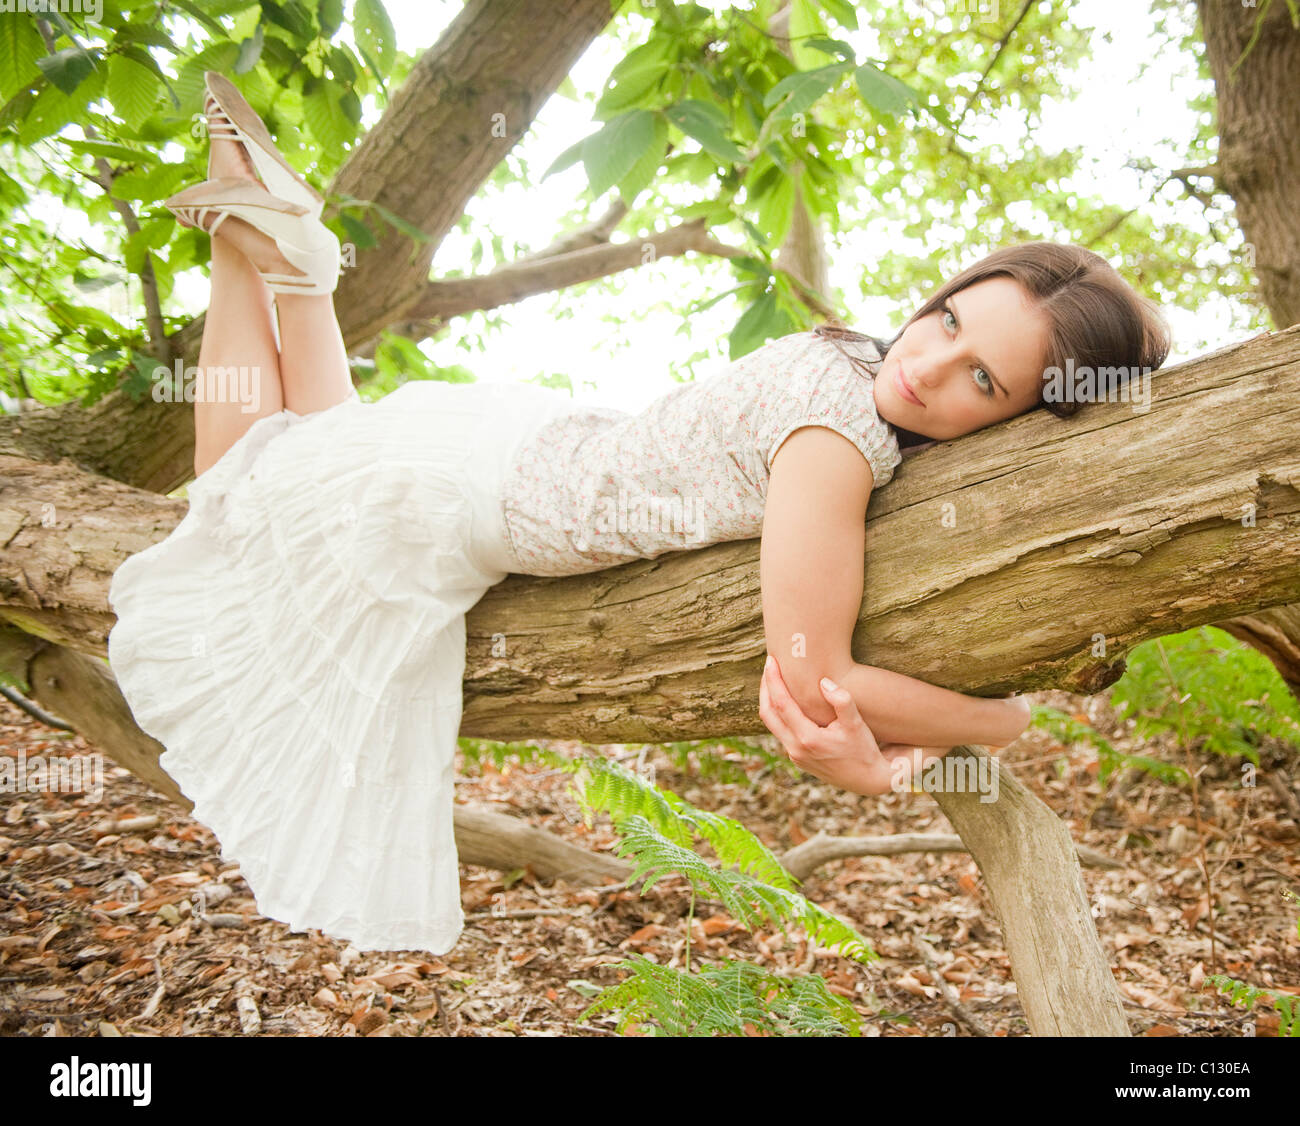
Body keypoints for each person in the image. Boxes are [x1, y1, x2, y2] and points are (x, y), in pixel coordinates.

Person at [106, 73, 1170, 955]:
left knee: (313, 446)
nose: (925, 361)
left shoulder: (841, 358)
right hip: (472, 493)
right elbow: (818, 679)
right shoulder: (835, 430)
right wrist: (1008, 720)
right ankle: (254, 247)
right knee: (240, 487)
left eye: (979, 378)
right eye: (944, 317)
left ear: (1027, 418)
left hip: (508, 445)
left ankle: (293, 260)